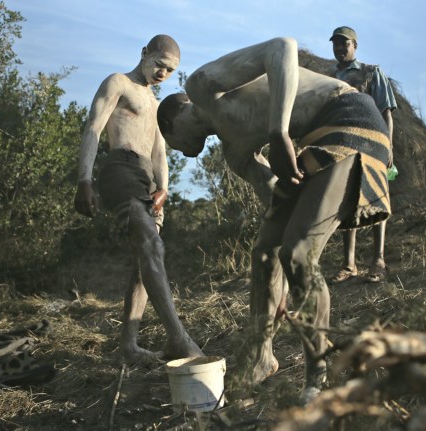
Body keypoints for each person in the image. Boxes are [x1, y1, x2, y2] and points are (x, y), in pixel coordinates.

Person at [157, 37, 391, 401]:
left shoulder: (201, 86)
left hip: (350, 118)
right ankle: (260, 359)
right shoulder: (236, 155)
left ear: (173, 121)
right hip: (316, 139)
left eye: (175, 145)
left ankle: (319, 374)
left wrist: (279, 132)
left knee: (299, 254)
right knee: (267, 252)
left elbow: (282, 48)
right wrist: (277, 287)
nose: (185, 154)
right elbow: (276, 210)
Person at [74, 35, 203, 364]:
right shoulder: (119, 82)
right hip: (121, 168)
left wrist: (164, 187)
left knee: (144, 260)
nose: (163, 73)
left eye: (171, 70)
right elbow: (93, 127)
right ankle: (179, 339)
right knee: (152, 247)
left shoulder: (157, 104)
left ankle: (128, 347)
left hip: (148, 181)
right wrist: (84, 180)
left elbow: (160, 152)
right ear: (144, 53)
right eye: (159, 64)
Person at [328, 26, 397, 283]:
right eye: (335, 43)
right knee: (347, 200)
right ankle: (349, 264)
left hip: (373, 141)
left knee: (378, 196)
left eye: (344, 43)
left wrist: (388, 145)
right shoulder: (330, 77)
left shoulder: (370, 72)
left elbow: (387, 112)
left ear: (354, 46)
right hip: (344, 144)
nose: (339, 48)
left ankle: (378, 261)